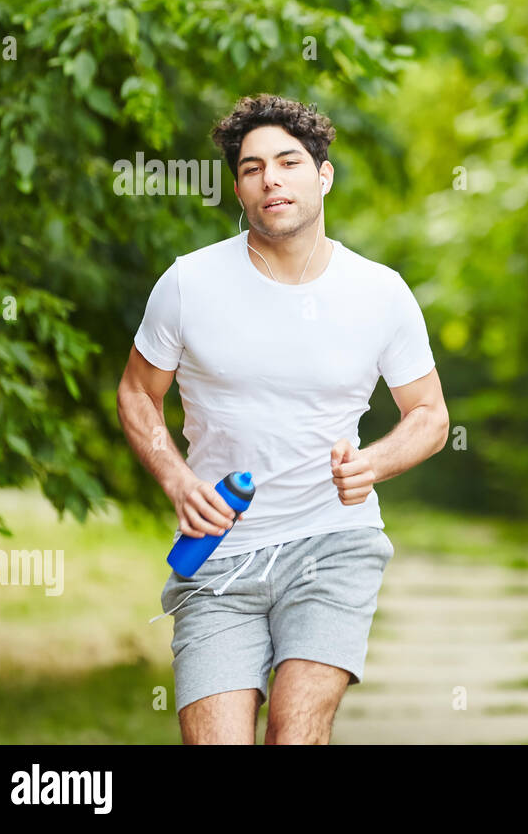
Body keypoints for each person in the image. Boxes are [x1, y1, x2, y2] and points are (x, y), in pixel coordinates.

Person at [117, 94, 449, 744]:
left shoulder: (379, 292)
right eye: (251, 168)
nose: (271, 178)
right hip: (218, 555)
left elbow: (430, 415)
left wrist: (375, 462)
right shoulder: (189, 284)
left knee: (295, 735)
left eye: (288, 162)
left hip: (334, 544)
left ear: (323, 175)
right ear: (238, 189)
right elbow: (136, 395)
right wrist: (177, 481)